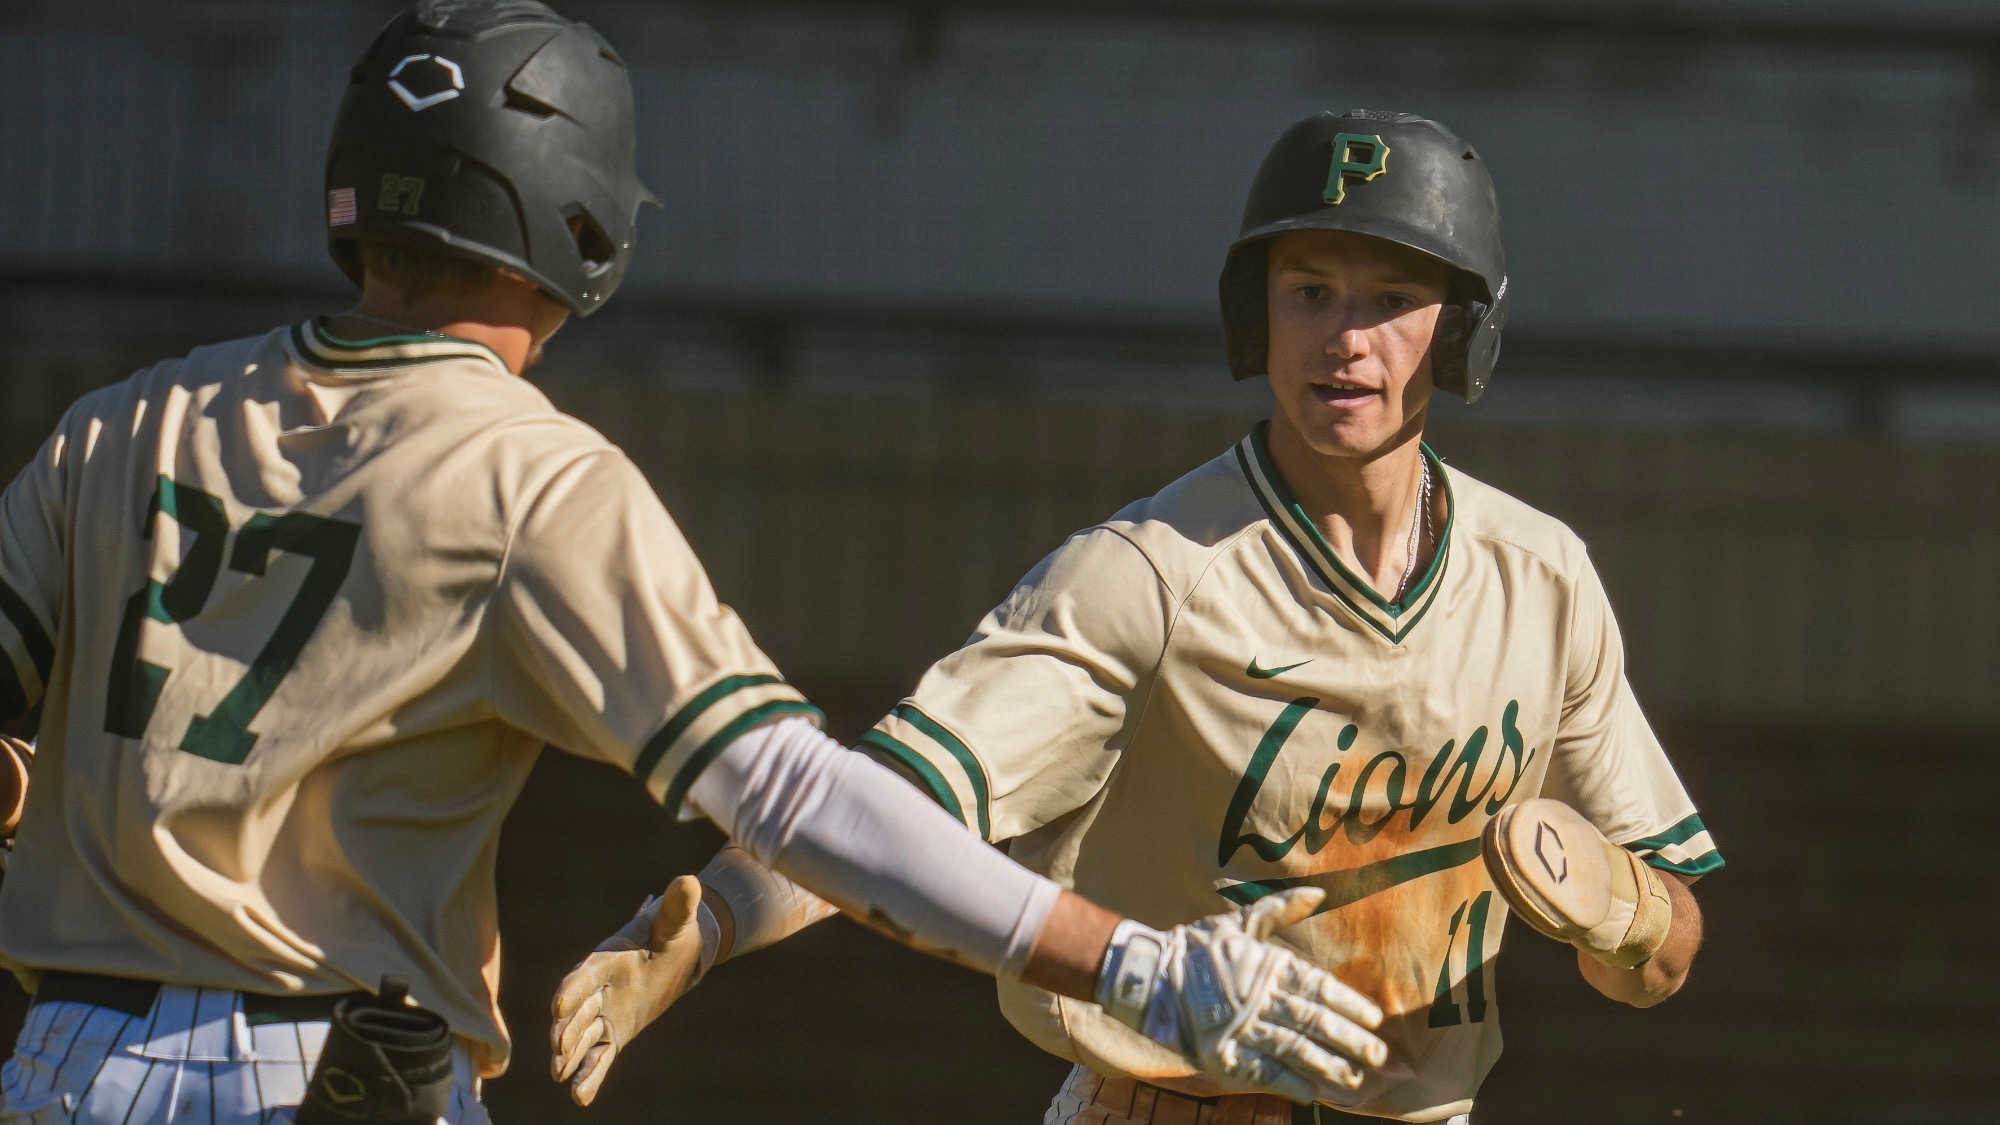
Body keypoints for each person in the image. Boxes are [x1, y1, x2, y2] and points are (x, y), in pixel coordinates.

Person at [0, 8, 1391, 1120]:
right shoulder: (530, 478)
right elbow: (792, 793)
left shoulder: (124, 420)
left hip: (57, 1064)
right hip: (316, 1078)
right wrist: (1129, 961)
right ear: (581, 227)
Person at [552, 112, 1724, 1124]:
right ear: (1252, 315)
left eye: (1392, 299)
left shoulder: (1542, 577)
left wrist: (1621, 918)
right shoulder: (1151, 573)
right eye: (1307, 292)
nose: (1344, 337)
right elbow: (893, 802)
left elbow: (1665, 955)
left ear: (1459, 329)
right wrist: (703, 925)